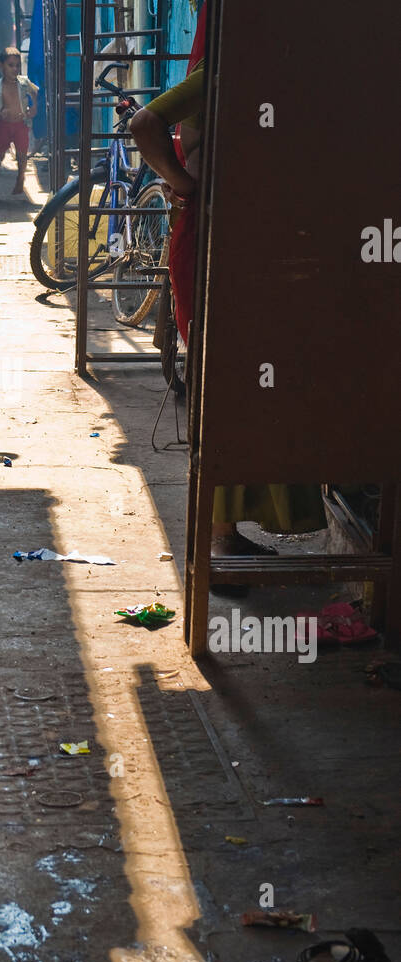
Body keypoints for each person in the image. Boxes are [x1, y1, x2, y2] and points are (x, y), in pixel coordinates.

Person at [130, 61, 326, 591]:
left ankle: (222, 532)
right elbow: (144, 125)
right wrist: (187, 186)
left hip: (231, 239)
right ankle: (218, 537)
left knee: (234, 382)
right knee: (230, 383)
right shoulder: (223, 65)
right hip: (217, 242)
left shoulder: (233, 65)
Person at [0, 47, 38, 201]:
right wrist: (0, 114)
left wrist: (34, 107)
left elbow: (35, 91)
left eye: (17, 65)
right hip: (4, 126)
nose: (15, 69)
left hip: (21, 125)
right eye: (11, 65)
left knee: (22, 155)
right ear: (1, 66)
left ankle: (20, 179)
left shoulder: (24, 82)